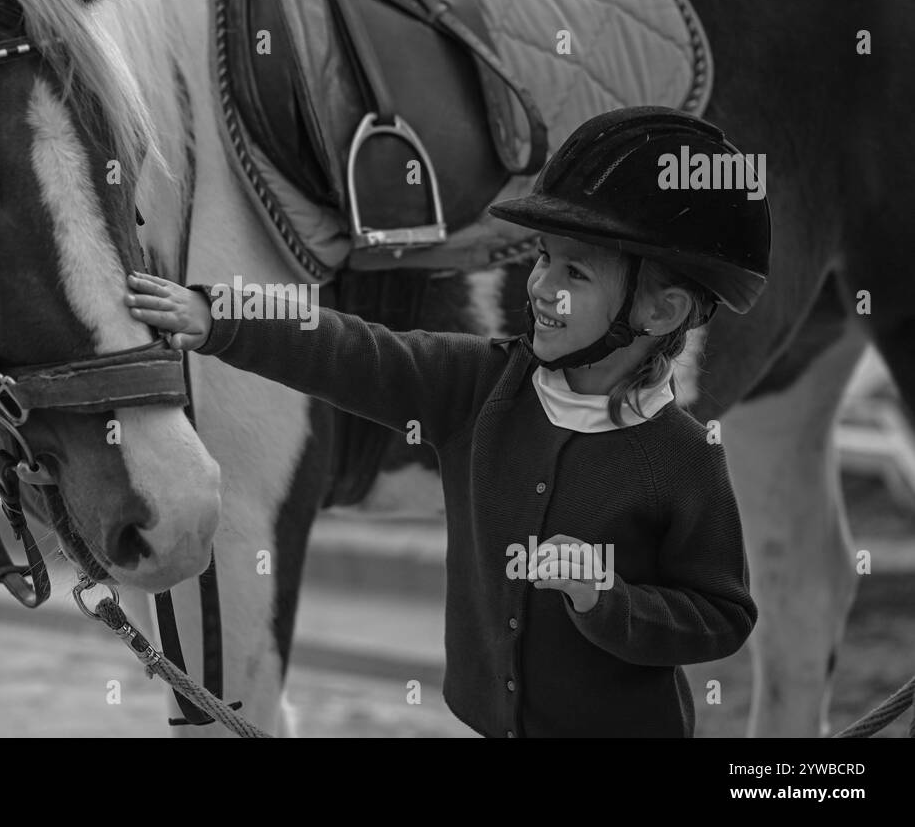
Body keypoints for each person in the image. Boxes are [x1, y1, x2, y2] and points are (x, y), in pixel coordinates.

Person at [124, 106, 768, 737]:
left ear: (661, 312)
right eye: (543, 257)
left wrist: (609, 600)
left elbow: (722, 614)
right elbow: (352, 351)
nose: (541, 286)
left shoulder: (687, 460)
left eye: (575, 272)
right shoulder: (477, 387)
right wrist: (221, 318)